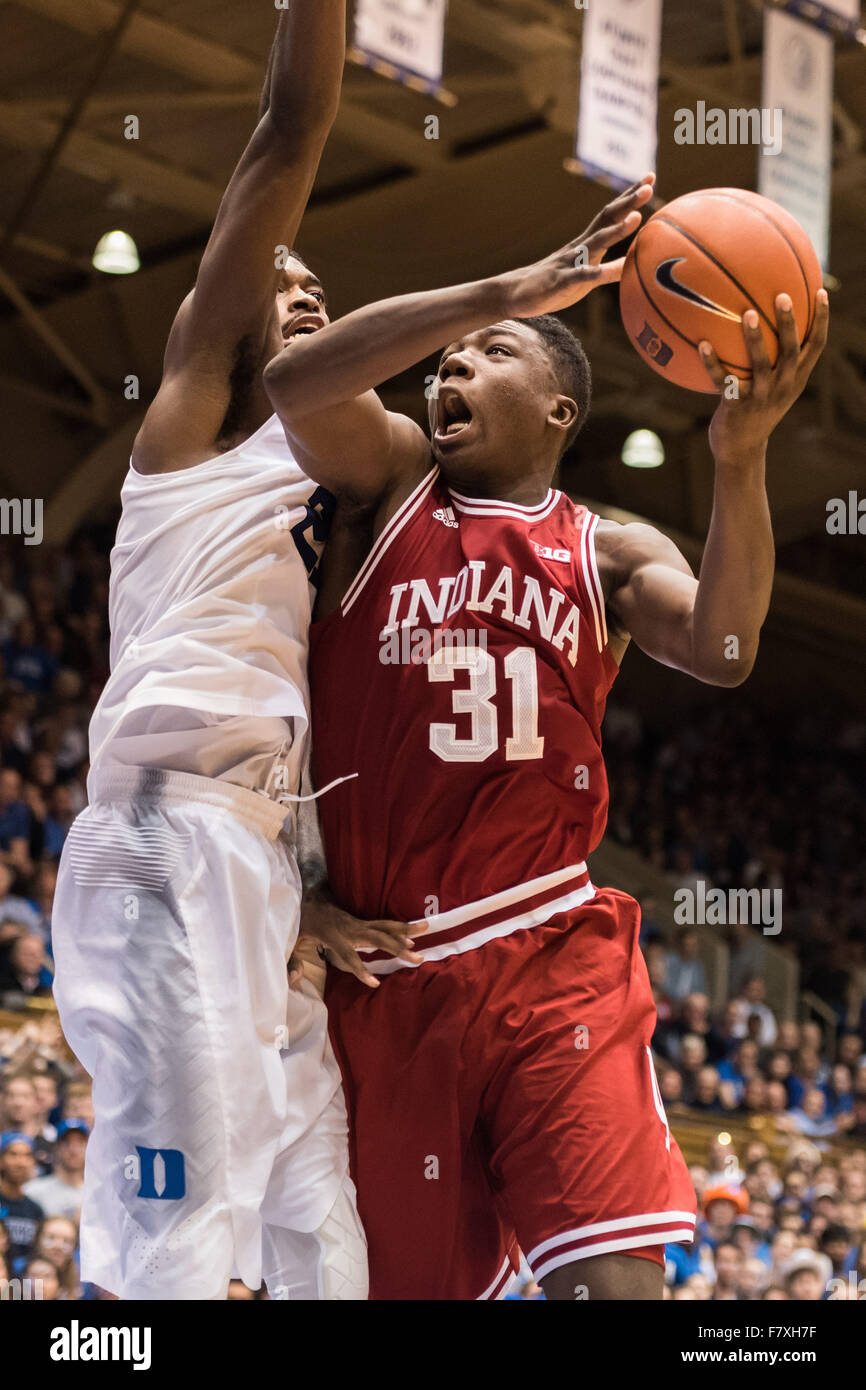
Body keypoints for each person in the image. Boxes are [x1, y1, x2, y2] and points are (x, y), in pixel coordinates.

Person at [263, 161, 829, 1299]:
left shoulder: (606, 549)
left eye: (490, 356)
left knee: (612, 1285)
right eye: (444, 362)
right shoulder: (391, 486)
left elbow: (722, 648)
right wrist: (502, 296)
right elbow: (296, 386)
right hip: (391, 971)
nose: (451, 367)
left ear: (559, 409)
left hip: (549, 951)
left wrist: (736, 455)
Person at [49, 6, 411, 1303]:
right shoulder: (191, 426)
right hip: (167, 830)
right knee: (175, 1235)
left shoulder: (348, 480)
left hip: (264, 860)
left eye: (325, 293)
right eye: (285, 283)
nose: (305, 293)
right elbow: (289, 128)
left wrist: (302, 879)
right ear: (225, 313)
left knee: (321, 1235)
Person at [23, 1118, 87, 1219]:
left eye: (80, 1143)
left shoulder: (95, 1195)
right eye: (66, 1143)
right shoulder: (33, 1191)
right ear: (56, 1147)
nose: (74, 1150)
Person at [0, 1133, 44, 1269]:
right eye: (13, 1154)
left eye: (27, 1156)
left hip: (24, 1283)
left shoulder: (36, 1210)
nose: (20, 1162)